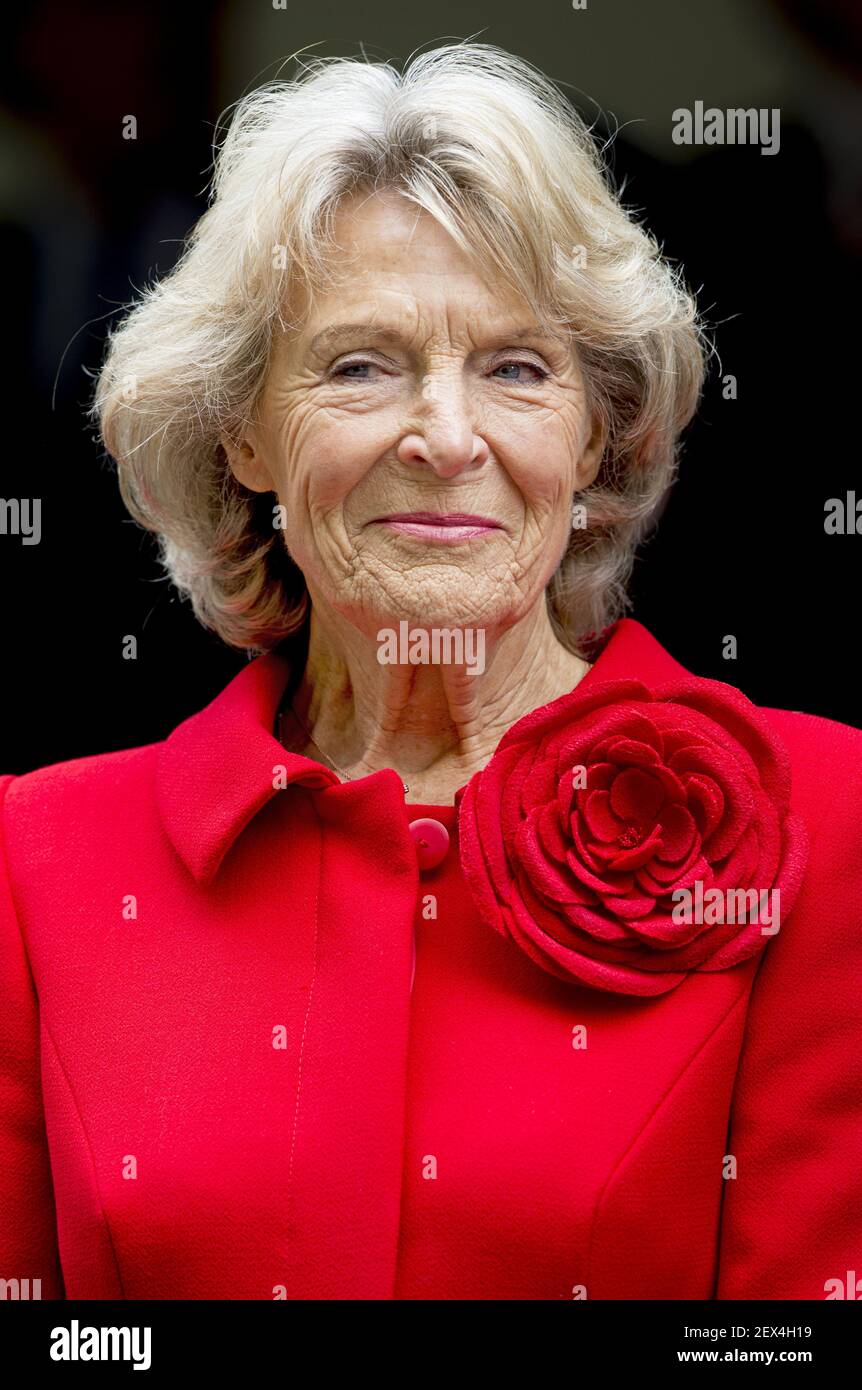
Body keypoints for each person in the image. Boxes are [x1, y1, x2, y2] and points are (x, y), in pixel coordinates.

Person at [1, 43, 859, 1301]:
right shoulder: (44, 858)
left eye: (516, 369)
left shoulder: (819, 821)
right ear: (244, 431)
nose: (448, 439)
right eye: (361, 366)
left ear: (592, 431)